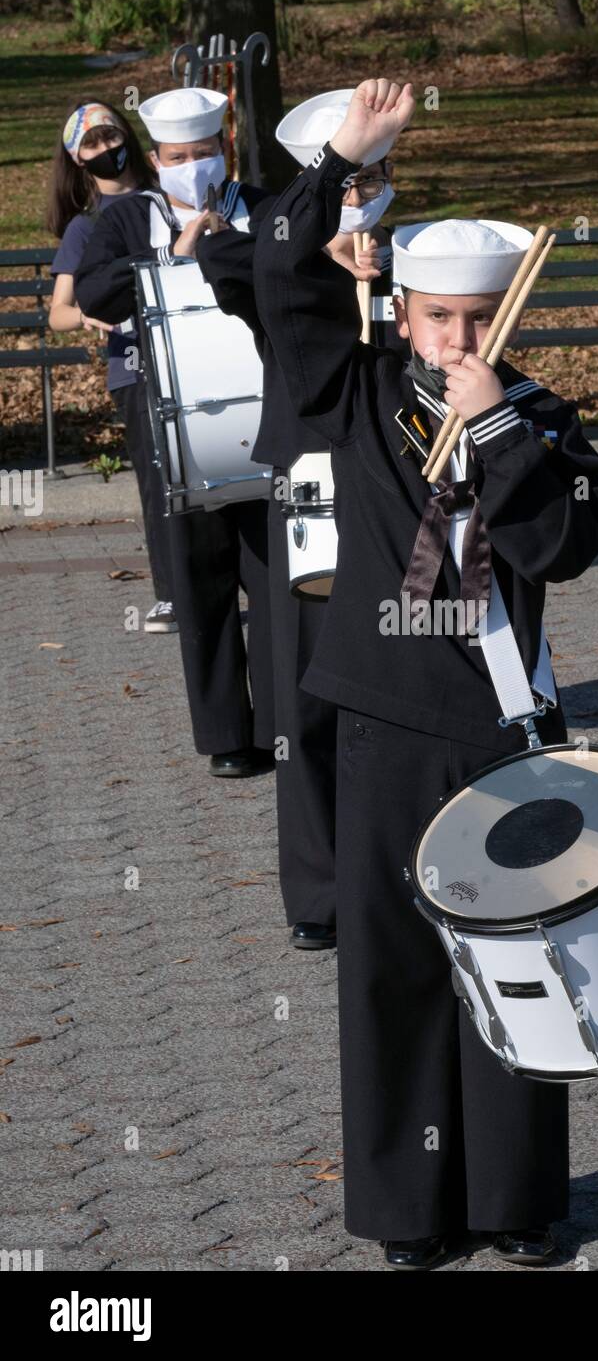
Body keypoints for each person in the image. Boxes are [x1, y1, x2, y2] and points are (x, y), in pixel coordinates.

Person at [253, 78, 598, 1268]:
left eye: (479, 319)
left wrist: (504, 427)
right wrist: (336, 169)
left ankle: (513, 1198)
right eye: (438, 320)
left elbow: (567, 536)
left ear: (506, 316)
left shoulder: (542, 421)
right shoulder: (350, 397)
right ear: (401, 314)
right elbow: (280, 283)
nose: (460, 341)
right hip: (380, 720)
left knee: (514, 966)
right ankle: (409, 1208)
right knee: (395, 967)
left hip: (501, 725)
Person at [198, 88, 408, 949]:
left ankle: (407, 866)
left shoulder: (409, 255)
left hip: (398, 493)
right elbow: (231, 264)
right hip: (315, 490)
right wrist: (325, 215)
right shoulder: (274, 254)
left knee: (399, 684)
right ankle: (321, 895)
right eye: (353, 177)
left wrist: (387, 272)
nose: (367, 192)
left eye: (378, 173)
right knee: (311, 696)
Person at [74, 87, 275, 778]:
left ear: (224, 148)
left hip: (265, 412)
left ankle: (281, 724)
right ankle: (227, 736)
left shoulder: (260, 205)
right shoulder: (130, 215)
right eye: (178, 157)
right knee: (199, 578)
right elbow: (93, 293)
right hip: (172, 416)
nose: (193, 166)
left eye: (205, 152)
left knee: (274, 574)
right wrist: (171, 256)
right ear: (156, 159)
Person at [47, 101, 174, 632]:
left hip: (196, 363)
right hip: (135, 369)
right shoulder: (85, 226)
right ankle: (172, 594)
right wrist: (92, 317)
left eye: (111, 136)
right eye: (92, 144)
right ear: (78, 159)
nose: (105, 150)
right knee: (160, 484)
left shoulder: (171, 198)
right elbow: (59, 313)